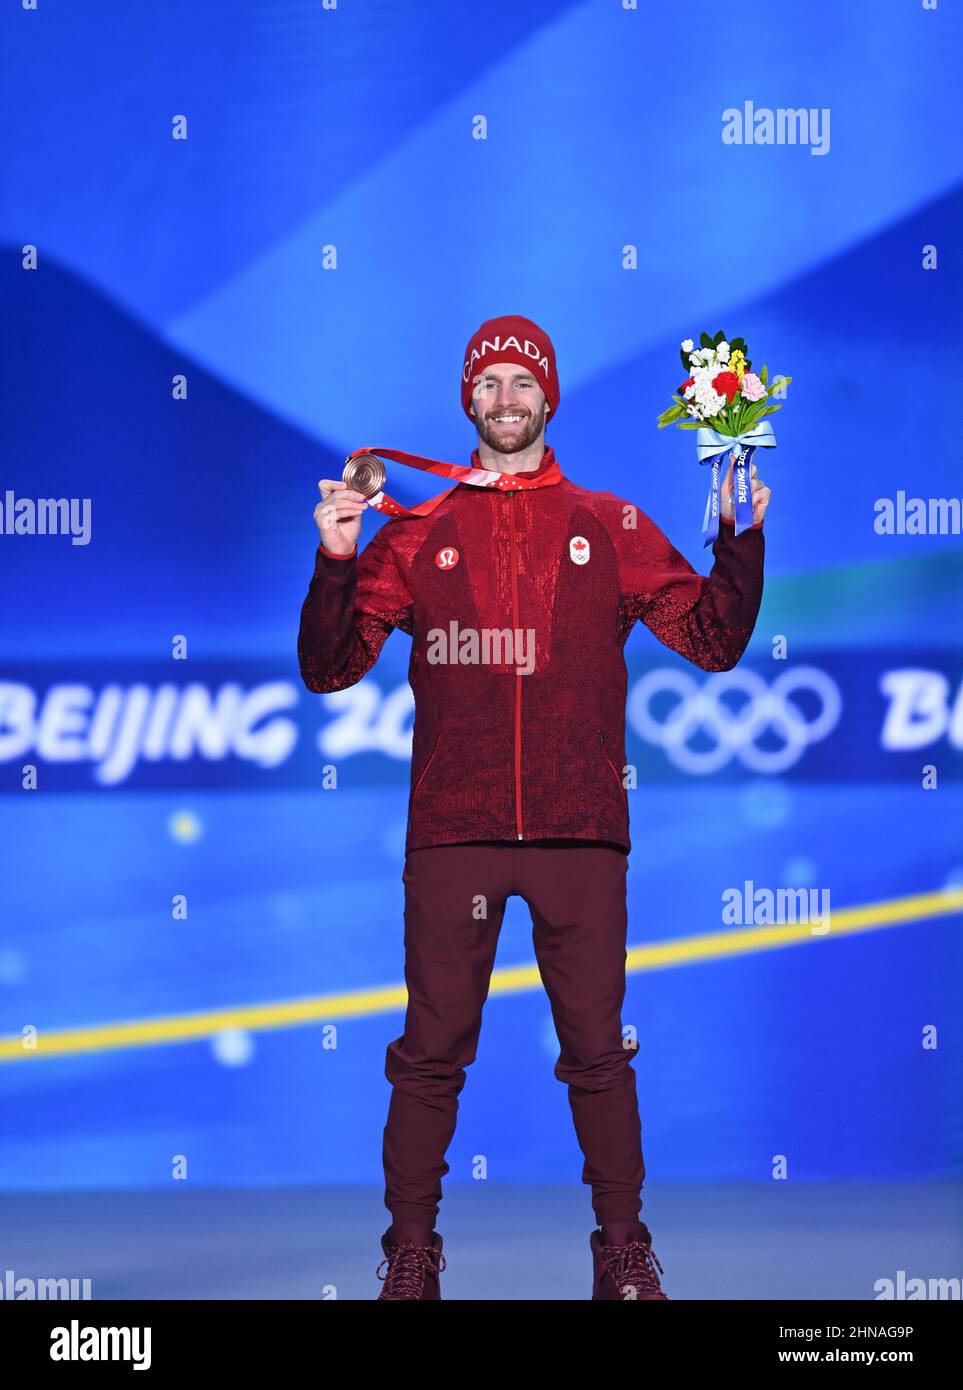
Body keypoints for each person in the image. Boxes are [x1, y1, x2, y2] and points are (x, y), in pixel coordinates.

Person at [297, 314, 771, 1300]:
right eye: (490, 384)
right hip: (455, 831)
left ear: (548, 398)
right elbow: (328, 668)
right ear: (467, 401)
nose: (506, 400)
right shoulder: (416, 532)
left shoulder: (612, 523)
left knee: (599, 1051)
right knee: (429, 1052)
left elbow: (715, 642)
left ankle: (623, 1253)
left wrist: (739, 545)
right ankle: (413, 1255)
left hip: (580, 830)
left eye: (524, 384)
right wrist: (338, 560)